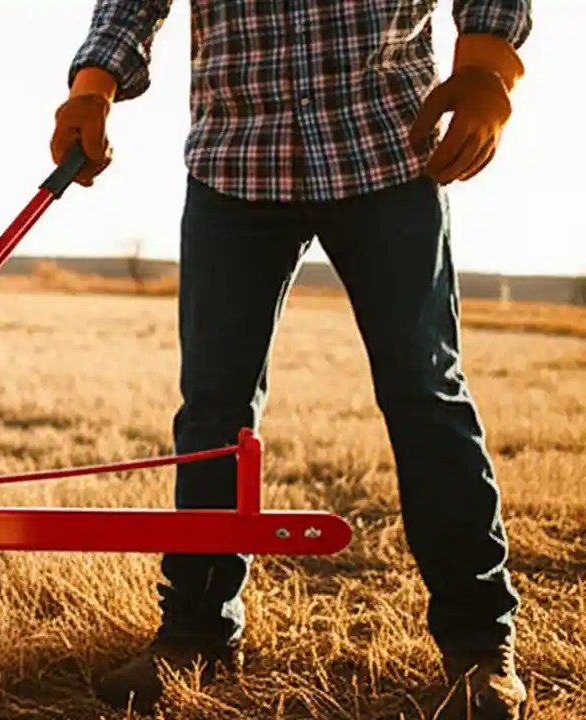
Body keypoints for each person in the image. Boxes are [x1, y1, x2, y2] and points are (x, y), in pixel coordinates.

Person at [48, 1, 532, 718]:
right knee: (214, 408)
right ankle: (197, 634)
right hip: (237, 160)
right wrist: (92, 88)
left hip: (387, 147)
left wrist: (488, 69)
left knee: (425, 392)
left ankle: (478, 646)